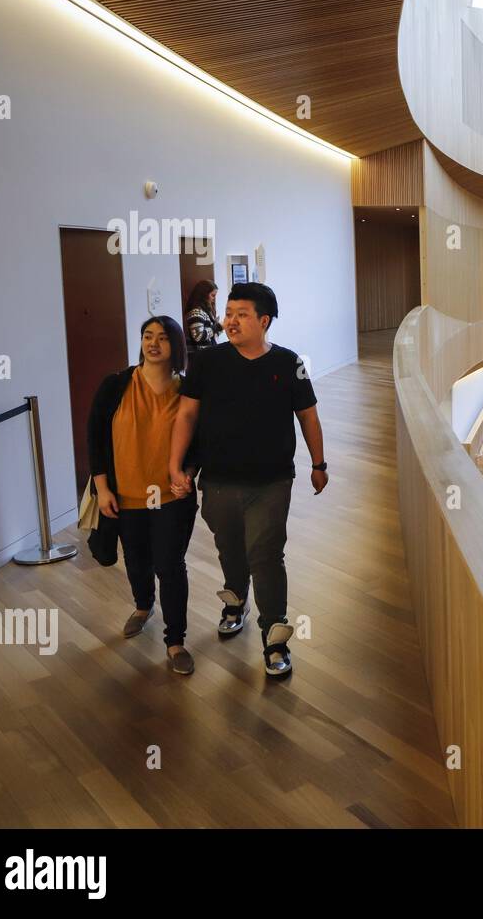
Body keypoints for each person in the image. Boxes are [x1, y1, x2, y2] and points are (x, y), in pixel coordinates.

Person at [169, 282, 326, 679]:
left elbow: (308, 415)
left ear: (264, 320)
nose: (230, 320)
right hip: (218, 479)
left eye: (241, 314)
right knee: (229, 547)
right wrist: (175, 466)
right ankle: (236, 597)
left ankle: (274, 640)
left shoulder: (289, 363)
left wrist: (318, 463)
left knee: (267, 553)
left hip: (272, 481)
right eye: (228, 312)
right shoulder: (207, 363)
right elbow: (186, 416)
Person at [88, 315, 198, 676]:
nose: (153, 343)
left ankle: (175, 640)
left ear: (175, 346)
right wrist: (102, 488)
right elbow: (96, 439)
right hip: (127, 494)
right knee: (135, 558)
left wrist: (189, 472)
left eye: (162, 338)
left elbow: (200, 438)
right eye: (147, 336)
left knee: (170, 565)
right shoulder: (116, 385)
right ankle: (142, 605)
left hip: (170, 496)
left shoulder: (188, 389)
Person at [184, 280, 222, 358]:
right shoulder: (196, 312)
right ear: (204, 294)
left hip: (208, 353)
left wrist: (220, 327)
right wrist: (218, 327)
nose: (214, 299)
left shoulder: (205, 310)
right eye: (213, 295)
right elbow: (198, 336)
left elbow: (210, 335)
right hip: (202, 356)